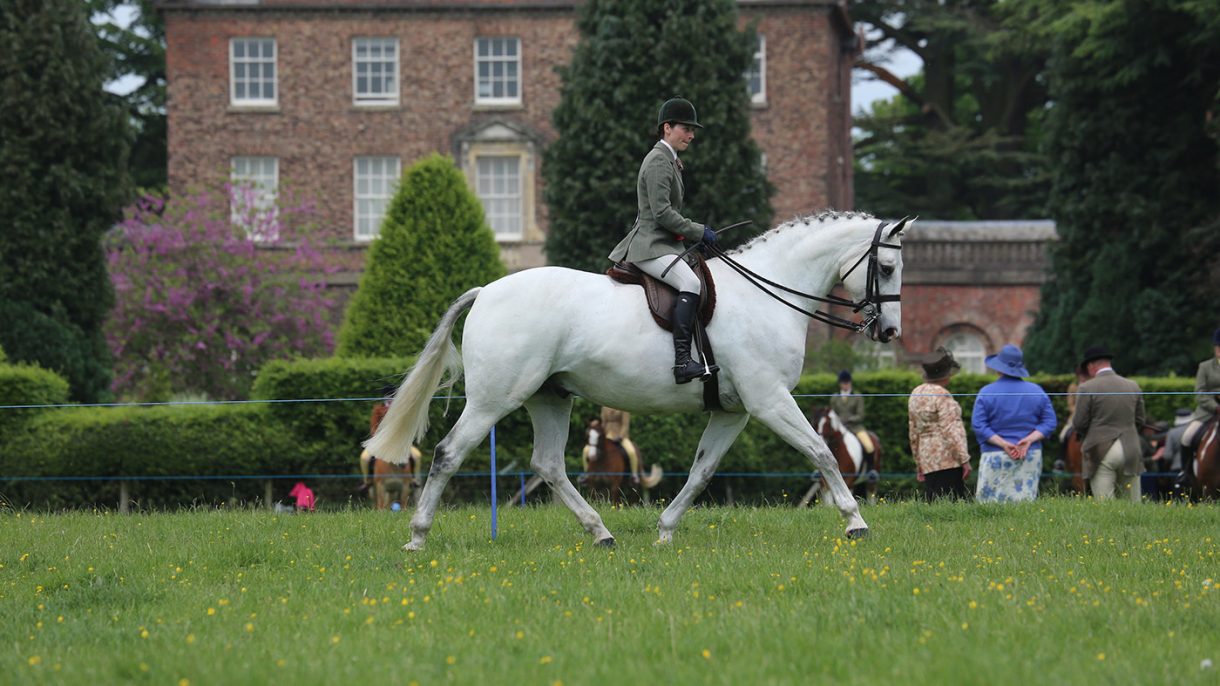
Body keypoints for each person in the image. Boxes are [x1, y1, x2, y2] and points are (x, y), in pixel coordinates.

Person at [608, 96, 718, 384]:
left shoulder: (670, 159)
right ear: (667, 127)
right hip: (649, 245)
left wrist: (689, 235)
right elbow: (662, 213)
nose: (692, 135)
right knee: (691, 283)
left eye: (693, 130)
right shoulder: (659, 160)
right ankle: (682, 361)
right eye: (686, 128)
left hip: (665, 242)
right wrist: (698, 230)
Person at [971, 344, 1058, 503]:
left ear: (998, 368)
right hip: (1029, 455)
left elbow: (979, 426)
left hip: (994, 454)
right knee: (1024, 505)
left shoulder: (986, 392)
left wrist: (1004, 444)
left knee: (989, 507)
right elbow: (1050, 422)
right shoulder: (1037, 390)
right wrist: (1029, 440)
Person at [1073, 346, 1147, 501]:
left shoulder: (1087, 387)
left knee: (1106, 508)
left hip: (1101, 451)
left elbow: (1079, 423)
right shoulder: (1133, 386)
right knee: (1133, 506)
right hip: (1131, 449)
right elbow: (1141, 420)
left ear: (1091, 366)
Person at [908, 348, 972, 501]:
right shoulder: (942, 395)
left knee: (934, 505)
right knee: (952, 505)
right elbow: (951, 429)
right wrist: (964, 459)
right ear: (947, 374)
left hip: (926, 457)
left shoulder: (916, 393)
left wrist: (918, 463)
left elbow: (913, 432)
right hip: (947, 458)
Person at [1167, 327, 1220, 487]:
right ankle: (1185, 473)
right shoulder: (1205, 367)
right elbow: (1200, 393)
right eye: (1218, 346)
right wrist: (1216, 407)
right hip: (1208, 413)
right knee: (1187, 437)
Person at [829, 370, 876, 476]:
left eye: (847, 383)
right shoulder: (834, 398)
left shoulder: (857, 397)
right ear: (840, 384)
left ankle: (870, 471)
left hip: (855, 427)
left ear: (850, 383)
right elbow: (832, 413)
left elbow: (860, 415)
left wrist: (850, 419)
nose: (845, 385)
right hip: (839, 428)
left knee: (869, 446)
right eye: (843, 383)